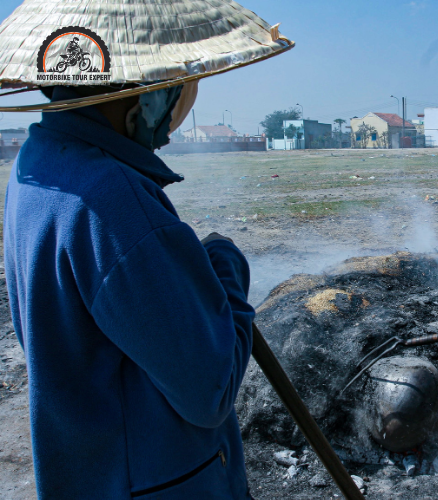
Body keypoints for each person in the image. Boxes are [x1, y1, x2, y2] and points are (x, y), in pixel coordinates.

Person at [0, 0, 293, 497]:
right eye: (172, 84)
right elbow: (211, 389)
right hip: (155, 481)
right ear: (142, 93)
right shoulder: (114, 202)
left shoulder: (39, 162)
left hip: (93, 470)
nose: (177, 104)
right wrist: (224, 264)